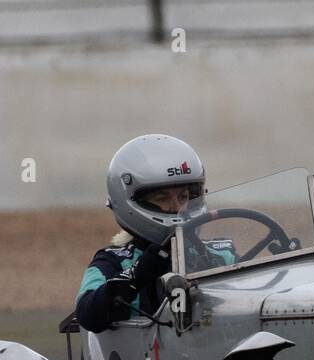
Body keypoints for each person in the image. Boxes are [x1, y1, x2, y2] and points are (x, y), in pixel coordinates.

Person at [74, 134, 235, 333]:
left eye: (184, 196)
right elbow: (87, 315)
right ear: (130, 200)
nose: (178, 207)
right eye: (162, 198)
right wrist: (139, 274)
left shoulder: (221, 255)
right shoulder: (113, 262)